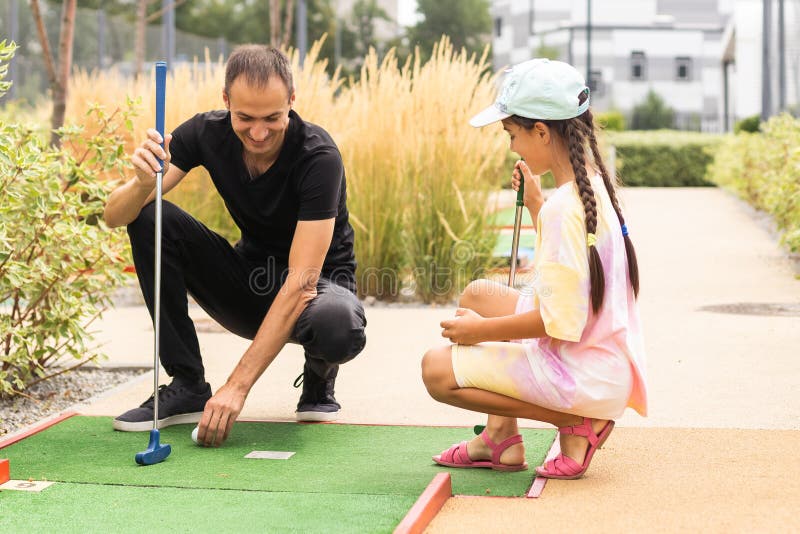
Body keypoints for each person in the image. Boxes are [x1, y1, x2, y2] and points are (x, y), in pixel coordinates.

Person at [103, 45, 367, 446]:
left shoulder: (319, 155)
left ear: (292, 102)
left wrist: (237, 387)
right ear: (226, 101)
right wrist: (141, 184)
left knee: (337, 325)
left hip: (316, 294)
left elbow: (301, 283)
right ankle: (187, 382)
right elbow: (115, 217)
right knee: (150, 215)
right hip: (250, 286)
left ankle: (319, 373)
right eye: (244, 118)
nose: (258, 133)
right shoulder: (203, 133)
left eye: (272, 118)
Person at [420, 59, 647, 479]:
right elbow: (572, 273)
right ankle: (499, 439)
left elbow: (559, 321)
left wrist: (477, 333)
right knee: (478, 295)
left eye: (512, 134)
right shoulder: (591, 187)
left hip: (580, 373)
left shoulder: (566, 208)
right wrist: (537, 206)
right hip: (602, 359)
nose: (512, 147)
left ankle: (574, 423)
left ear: (541, 131)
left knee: (436, 368)